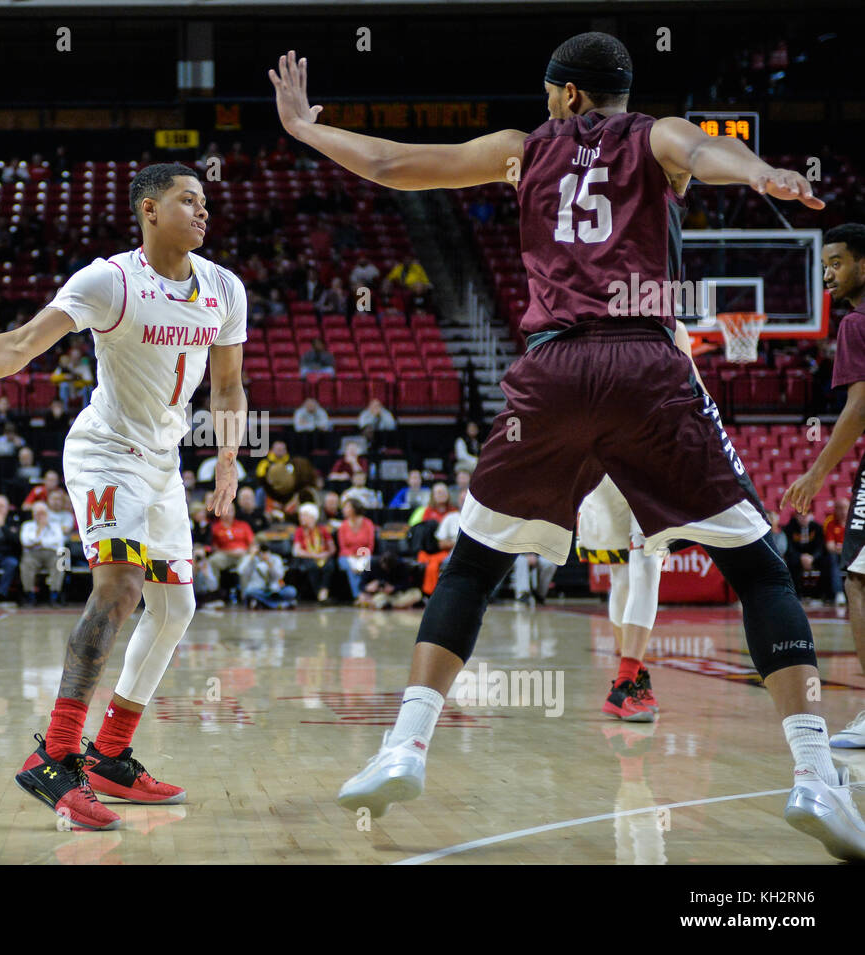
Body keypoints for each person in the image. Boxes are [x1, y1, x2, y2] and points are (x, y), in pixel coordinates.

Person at [273, 38, 863, 858]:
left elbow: (395, 162)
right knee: (761, 565)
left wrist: (306, 130)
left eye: (551, 92)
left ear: (572, 96)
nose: (546, 103)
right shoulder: (656, 137)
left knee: (475, 565)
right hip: (649, 364)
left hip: (550, 368)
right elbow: (706, 149)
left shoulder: (522, 151)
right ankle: (811, 772)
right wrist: (762, 174)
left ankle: (403, 746)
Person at [0, 162, 247, 830]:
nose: (204, 211)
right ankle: (56, 757)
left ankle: (110, 754)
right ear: (149, 210)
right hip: (106, 454)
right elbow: (26, 342)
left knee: (175, 609)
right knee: (119, 591)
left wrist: (229, 457)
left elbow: (228, 385)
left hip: (164, 463)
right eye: (188, 200)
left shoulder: (224, 288)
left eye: (206, 202)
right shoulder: (109, 280)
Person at [785, 223, 865, 747]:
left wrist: (816, 473)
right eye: (824, 265)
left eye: (836, 262)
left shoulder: (856, 326)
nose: (828, 274)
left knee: (858, 580)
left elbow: (860, 408)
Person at [575, 475, 662, 720]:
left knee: (647, 564)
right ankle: (636, 676)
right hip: (607, 471)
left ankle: (623, 686)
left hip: (650, 465)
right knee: (622, 579)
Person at [19, 501, 67, 606]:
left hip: (52, 553)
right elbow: (25, 541)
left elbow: (59, 541)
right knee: (26, 564)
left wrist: (38, 542)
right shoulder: (27, 525)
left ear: (47, 513)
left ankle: (55, 595)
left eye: (43, 513)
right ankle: (29, 595)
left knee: (62, 560)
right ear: (33, 514)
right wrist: (40, 530)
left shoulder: (55, 526)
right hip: (32, 554)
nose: (40, 516)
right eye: (38, 513)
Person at [292, 502, 336, 602]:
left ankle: (324, 589)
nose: (301, 518)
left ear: (312, 517)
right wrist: (313, 555)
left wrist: (325, 554)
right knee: (312, 566)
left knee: (329, 565)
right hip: (308, 557)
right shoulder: (299, 531)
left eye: (303, 515)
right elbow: (297, 551)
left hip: (323, 556)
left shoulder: (322, 530)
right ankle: (319, 594)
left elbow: (332, 548)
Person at [238, 538, 297, 609]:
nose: (262, 552)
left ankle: (263, 603)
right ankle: (280, 604)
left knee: (291, 591)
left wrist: (270, 564)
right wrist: (251, 557)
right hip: (258, 589)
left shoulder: (275, 558)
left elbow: (280, 576)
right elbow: (240, 571)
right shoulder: (250, 559)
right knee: (249, 592)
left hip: (274, 590)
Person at [337, 499, 377, 601]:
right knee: (352, 567)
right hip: (347, 556)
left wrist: (360, 555)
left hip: (364, 554)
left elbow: (370, 544)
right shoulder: (343, 526)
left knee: (365, 566)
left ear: (354, 509)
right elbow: (343, 547)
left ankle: (367, 592)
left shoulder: (367, 523)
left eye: (347, 507)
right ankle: (358, 595)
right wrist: (352, 556)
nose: (344, 510)